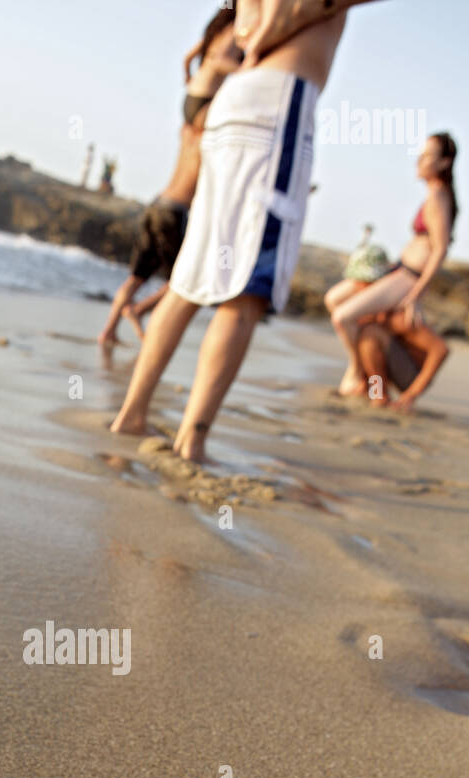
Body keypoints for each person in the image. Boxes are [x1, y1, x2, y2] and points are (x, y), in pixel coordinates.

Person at [111, 0, 382, 463]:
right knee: (247, 288)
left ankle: (132, 414)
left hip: (236, 104)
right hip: (277, 104)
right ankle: (192, 440)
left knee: (191, 275)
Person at [99, 8, 241, 347]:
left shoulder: (185, 131)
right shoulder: (205, 139)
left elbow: (194, 57)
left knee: (137, 275)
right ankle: (140, 310)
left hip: (157, 204)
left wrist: (188, 77)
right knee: (183, 279)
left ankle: (108, 331)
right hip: (173, 212)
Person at [326, 132, 459, 395]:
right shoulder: (432, 195)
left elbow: (440, 249)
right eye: (419, 155)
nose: (418, 162)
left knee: (345, 318)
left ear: (444, 163)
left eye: (426, 156)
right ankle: (370, 386)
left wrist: (416, 295)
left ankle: (358, 376)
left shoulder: (439, 197)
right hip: (398, 271)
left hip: (409, 279)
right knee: (336, 300)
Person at [356, 307, 450, 413]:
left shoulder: (400, 319)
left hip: (413, 376)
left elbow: (441, 349)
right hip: (400, 368)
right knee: (366, 334)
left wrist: (411, 394)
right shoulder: (374, 320)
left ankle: (379, 395)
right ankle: (371, 389)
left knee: (370, 334)